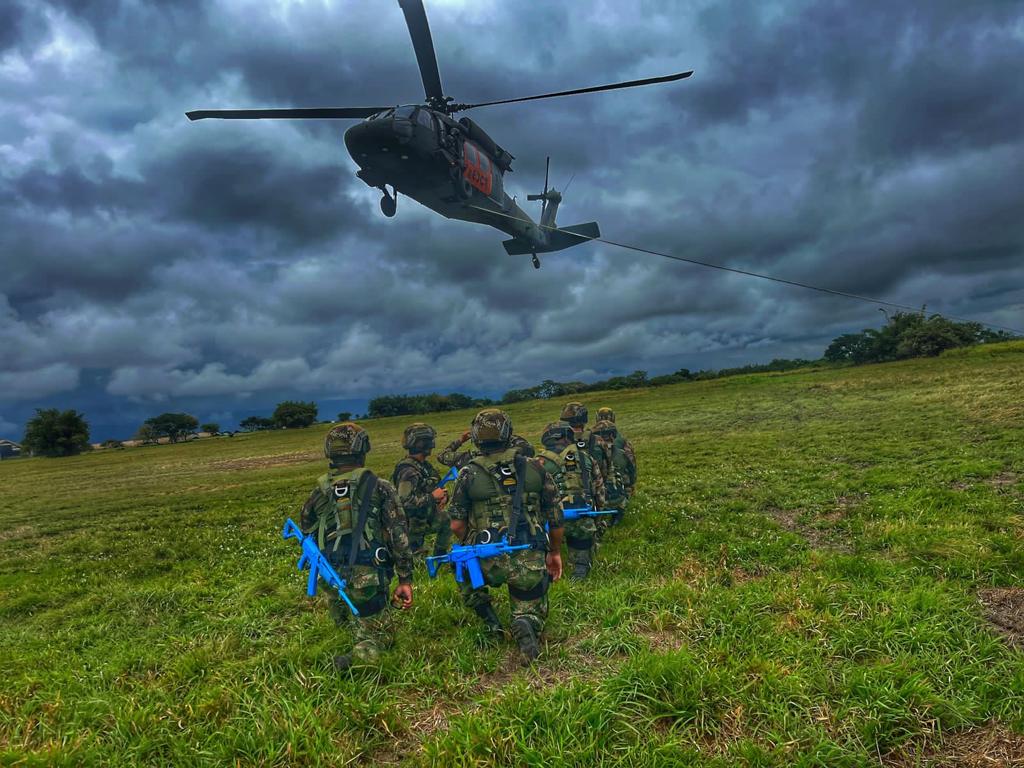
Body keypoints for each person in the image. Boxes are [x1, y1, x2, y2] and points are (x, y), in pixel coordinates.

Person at [446, 409, 564, 661]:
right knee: (532, 601)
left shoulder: (468, 473)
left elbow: (456, 525)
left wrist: (473, 541)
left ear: (476, 438)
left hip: (486, 560)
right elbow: (555, 519)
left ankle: (490, 621)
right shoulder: (535, 467)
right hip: (529, 555)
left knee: (460, 564)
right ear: (508, 433)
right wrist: (554, 552)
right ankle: (525, 622)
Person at [298, 422, 413, 671]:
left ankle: (349, 634)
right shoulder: (379, 487)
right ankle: (355, 659)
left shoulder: (319, 492)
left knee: (347, 620)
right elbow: (399, 536)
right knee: (384, 640)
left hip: (329, 574)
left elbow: (306, 527)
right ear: (363, 450)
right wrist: (405, 578)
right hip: (367, 576)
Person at [536, 422, 606, 580]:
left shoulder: (538, 462)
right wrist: (597, 517)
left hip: (551, 523)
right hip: (583, 518)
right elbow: (599, 490)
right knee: (581, 551)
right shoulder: (585, 457)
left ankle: (550, 573)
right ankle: (580, 570)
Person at [392, 423, 451, 559]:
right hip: (410, 523)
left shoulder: (424, 466)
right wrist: (431, 498)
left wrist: (443, 496)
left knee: (447, 518)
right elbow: (404, 502)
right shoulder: (408, 470)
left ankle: (440, 558)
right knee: (417, 562)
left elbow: (435, 486)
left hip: (423, 517)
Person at [591, 418, 637, 525]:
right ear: (613, 436)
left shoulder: (589, 456)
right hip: (619, 499)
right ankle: (619, 512)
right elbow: (632, 476)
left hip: (598, 502)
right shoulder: (623, 454)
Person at [438, 424, 535, 469]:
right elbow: (528, 448)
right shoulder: (517, 455)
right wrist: (502, 432)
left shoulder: (470, 459)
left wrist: (460, 440)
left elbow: (442, 456)